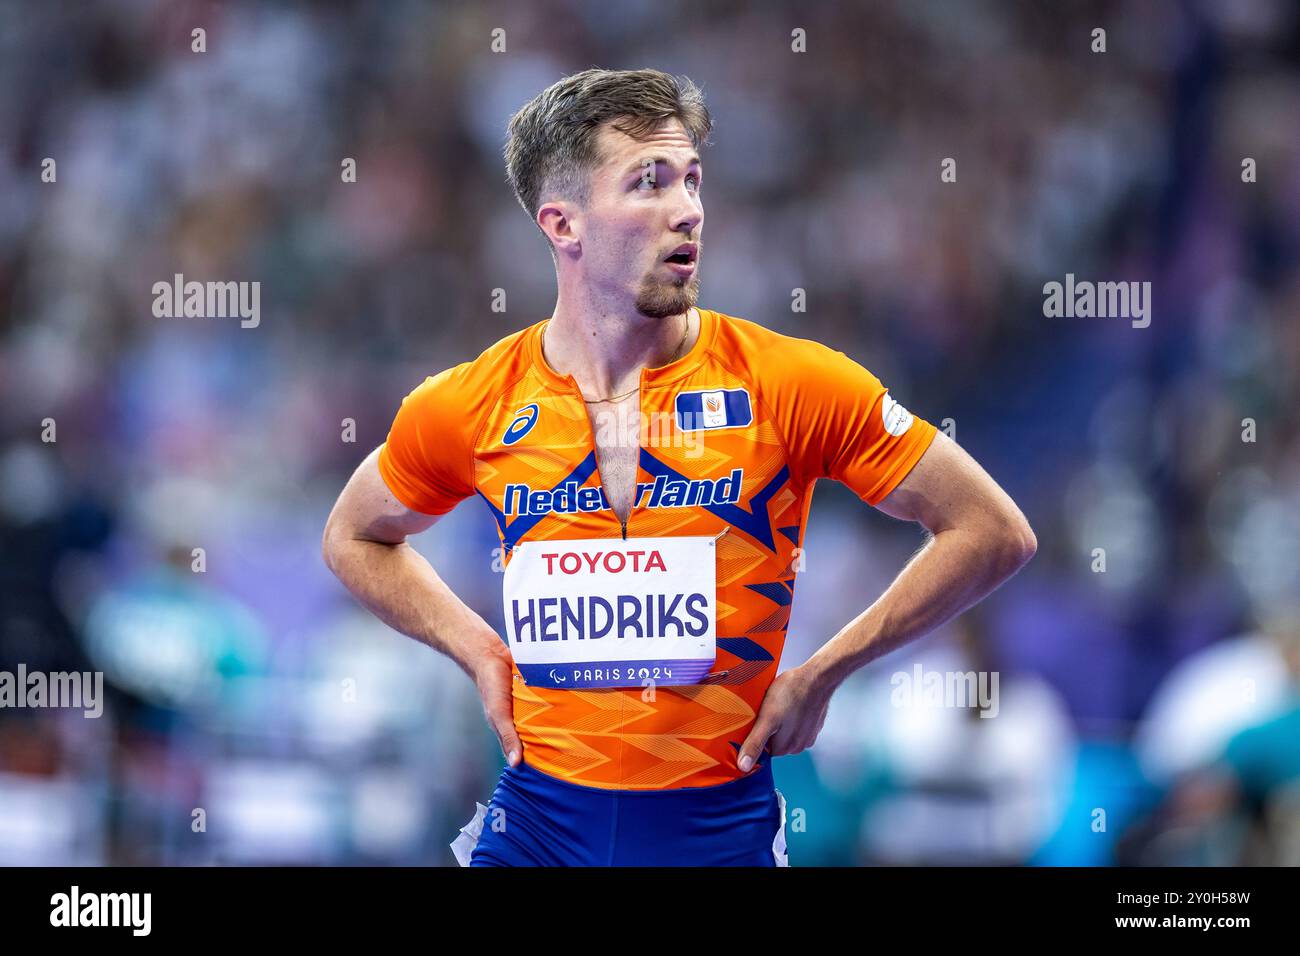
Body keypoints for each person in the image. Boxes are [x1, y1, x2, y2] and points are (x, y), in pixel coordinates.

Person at [321, 68, 1036, 866]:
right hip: (536, 828)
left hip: (717, 833)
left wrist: (827, 672)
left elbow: (992, 529)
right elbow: (354, 534)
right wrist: (478, 650)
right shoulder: (472, 401)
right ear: (565, 225)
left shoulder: (788, 382)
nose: (687, 208)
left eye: (692, 179)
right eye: (648, 183)